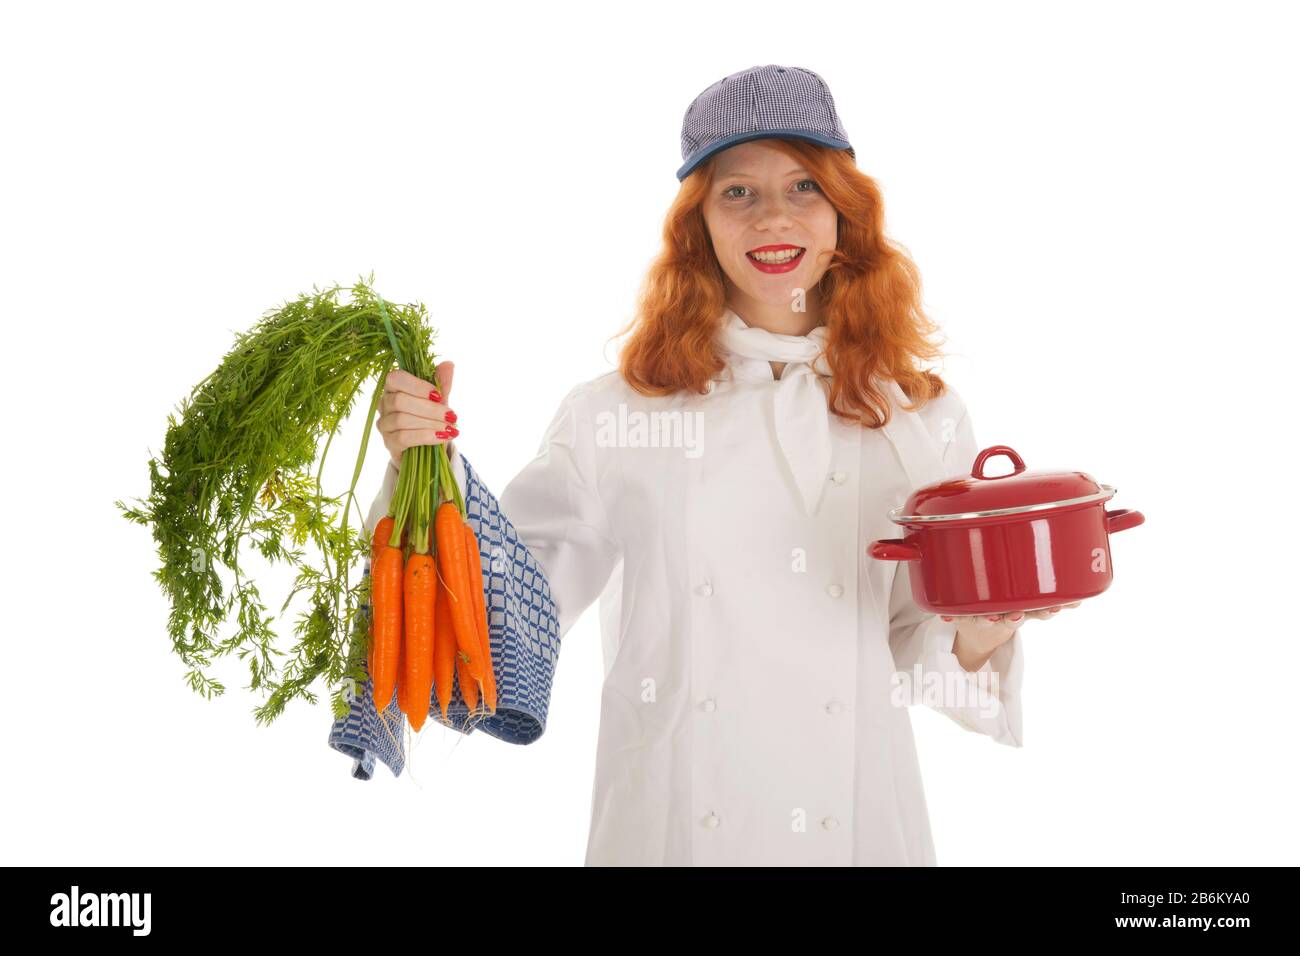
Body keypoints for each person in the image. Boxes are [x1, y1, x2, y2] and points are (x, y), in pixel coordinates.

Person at [329, 64, 1079, 866]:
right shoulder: (617, 413)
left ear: (843, 214)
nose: (773, 218)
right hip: (671, 833)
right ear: (699, 226)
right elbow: (501, 613)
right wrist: (420, 468)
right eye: (738, 193)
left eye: (802, 186)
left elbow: (927, 665)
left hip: (860, 833)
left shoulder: (918, 414)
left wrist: (989, 622)